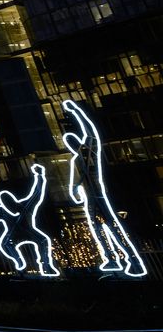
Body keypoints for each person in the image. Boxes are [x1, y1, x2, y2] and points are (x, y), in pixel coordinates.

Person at [61, 100, 146, 277]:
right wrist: (75, 190)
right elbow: (75, 181)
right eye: (68, 143)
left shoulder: (91, 150)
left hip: (100, 196)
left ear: (77, 141)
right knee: (97, 229)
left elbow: (90, 131)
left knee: (113, 227)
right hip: (90, 199)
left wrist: (75, 110)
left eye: (72, 141)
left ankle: (132, 260)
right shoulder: (74, 161)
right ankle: (109, 257)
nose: (71, 145)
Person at [0, 162, 59, 277]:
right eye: (6, 205)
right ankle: (19, 262)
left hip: (28, 231)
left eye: (10, 204)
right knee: (4, 244)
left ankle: (46, 264)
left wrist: (39, 176)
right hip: (13, 234)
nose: (9, 208)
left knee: (44, 240)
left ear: (13, 202)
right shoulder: (0, 211)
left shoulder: (25, 205)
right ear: (3, 204)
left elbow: (37, 193)